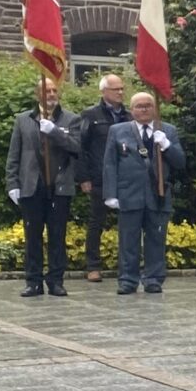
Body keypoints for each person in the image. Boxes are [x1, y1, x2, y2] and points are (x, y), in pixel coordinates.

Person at [7, 75, 81, 298]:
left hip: (58, 186)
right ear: (37, 94)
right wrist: (12, 183)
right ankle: (33, 281)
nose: (51, 95)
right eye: (47, 91)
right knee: (33, 236)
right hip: (32, 185)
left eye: (54, 91)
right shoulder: (23, 119)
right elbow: (14, 154)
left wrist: (55, 132)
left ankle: (56, 280)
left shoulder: (71, 119)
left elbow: (76, 147)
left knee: (57, 236)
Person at [103, 90, 185, 294]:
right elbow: (110, 164)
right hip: (128, 193)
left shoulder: (167, 130)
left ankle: (153, 279)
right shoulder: (118, 130)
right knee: (128, 240)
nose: (144, 109)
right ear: (131, 110)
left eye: (148, 105)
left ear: (155, 108)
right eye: (139, 106)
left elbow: (180, 162)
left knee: (156, 239)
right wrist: (110, 194)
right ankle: (127, 280)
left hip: (158, 194)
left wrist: (166, 145)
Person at [77, 74, 131, 281]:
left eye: (122, 89)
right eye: (115, 89)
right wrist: (84, 177)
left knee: (127, 223)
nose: (120, 92)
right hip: (99, 177)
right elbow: (81, 147)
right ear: (104, 92)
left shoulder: (128, 116)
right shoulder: (91, 115)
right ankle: (93, 266)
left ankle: (126, 266)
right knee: (96, 222)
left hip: (125, 178)